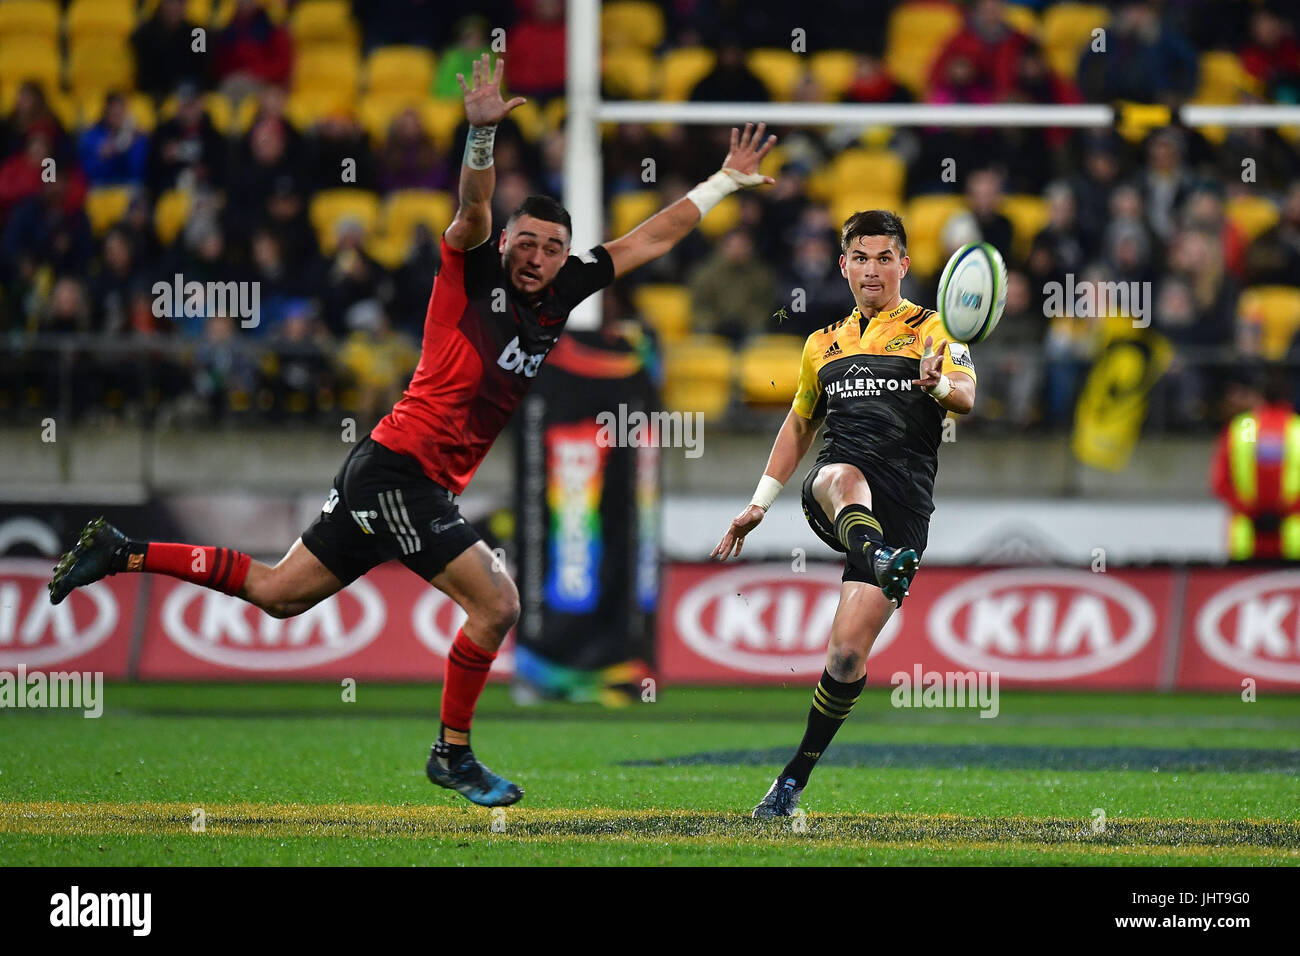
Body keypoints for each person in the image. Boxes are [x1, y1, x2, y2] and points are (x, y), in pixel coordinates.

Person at [48, 54, 777, 807]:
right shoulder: (471, 268)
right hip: (402, 470)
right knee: (497, 607)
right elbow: (471, 206)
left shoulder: (564, 291)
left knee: (278, 594)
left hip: (390, 471)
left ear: (564, 256)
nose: (534, 257)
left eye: (550, 248)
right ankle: (452, 754)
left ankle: (123, 550)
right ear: (506, 244)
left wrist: (723, 180)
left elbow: (650, 238)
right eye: (524, 242)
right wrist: (482, 140)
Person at [710, 209, 976, 818]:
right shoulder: (820, 344)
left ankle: (790, 783)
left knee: (845, 658)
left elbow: (966, 396)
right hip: (836, 489)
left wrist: (936, 384)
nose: (873, 270)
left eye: (885, 258)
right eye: (862, 258)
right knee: (842, 475)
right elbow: (801, 421)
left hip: (905, 506)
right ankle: (876, 554)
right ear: (844, 266)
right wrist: (759, 503)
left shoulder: (935, 329)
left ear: (905, 264)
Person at [1209, 368, 1300, 561]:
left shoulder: (1242, 428)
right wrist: (1287, 511)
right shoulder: (1297, 429)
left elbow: (1220, 483)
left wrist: (1250, 511)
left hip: (1246, 535)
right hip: (1293, 535)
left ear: (1260, 396)